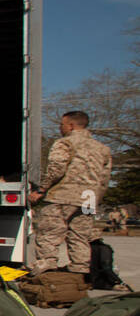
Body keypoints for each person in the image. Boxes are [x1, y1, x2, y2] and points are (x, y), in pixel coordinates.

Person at [30, 111, 113, 277]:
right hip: (88, 199)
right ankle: (79, 274)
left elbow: (56, 169)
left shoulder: (65, 143)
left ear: (71, 125)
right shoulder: (103, 149)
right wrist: (95, 200)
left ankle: (48, 275)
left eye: (61, 125)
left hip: (63, 196)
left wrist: (41, 190)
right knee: (80, 237)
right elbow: (104, 180)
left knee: (49, 235)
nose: (60, 128)